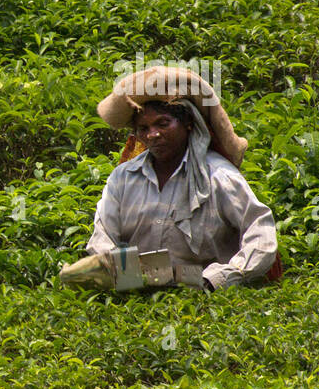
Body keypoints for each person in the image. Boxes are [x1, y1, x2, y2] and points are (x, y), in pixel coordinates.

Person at [80, 66, 279, 290]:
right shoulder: (123, 178)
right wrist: (124, 274)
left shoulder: (219, 176)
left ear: (188, 123)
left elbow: (260, 232)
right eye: (143, 128)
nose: (152, 135)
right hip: (136, 296)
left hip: (205, 299)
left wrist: (222, 277)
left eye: (163, 124)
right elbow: (103, 236)